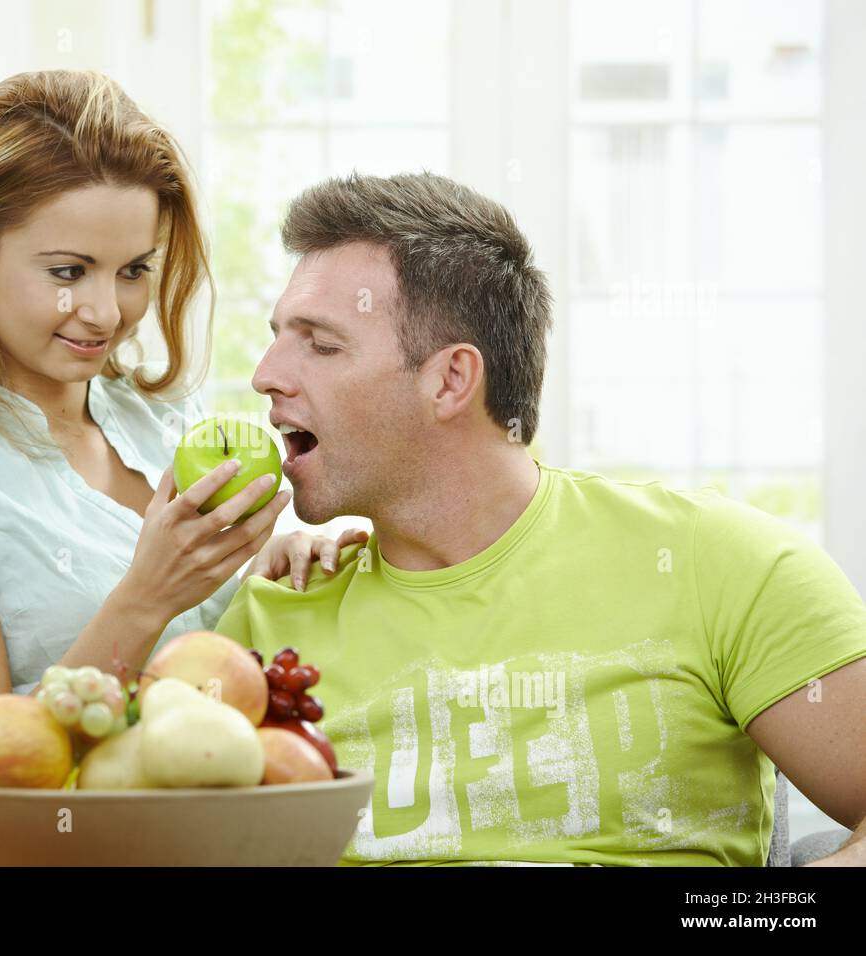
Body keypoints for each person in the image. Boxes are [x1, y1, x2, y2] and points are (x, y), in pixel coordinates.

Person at [214, 170, 866, 866]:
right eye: (278, 337)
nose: (265, 374)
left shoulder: (719, 563)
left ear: (451, 380)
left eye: (321, 345)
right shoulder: (272, 623)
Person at [0, 70, 364, 866]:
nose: (107, 313)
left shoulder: (169, 426)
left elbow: (213, 661)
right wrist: (147, 595)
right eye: (68, 272)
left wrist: (278, 560)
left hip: (150, 841)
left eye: (134, 270)